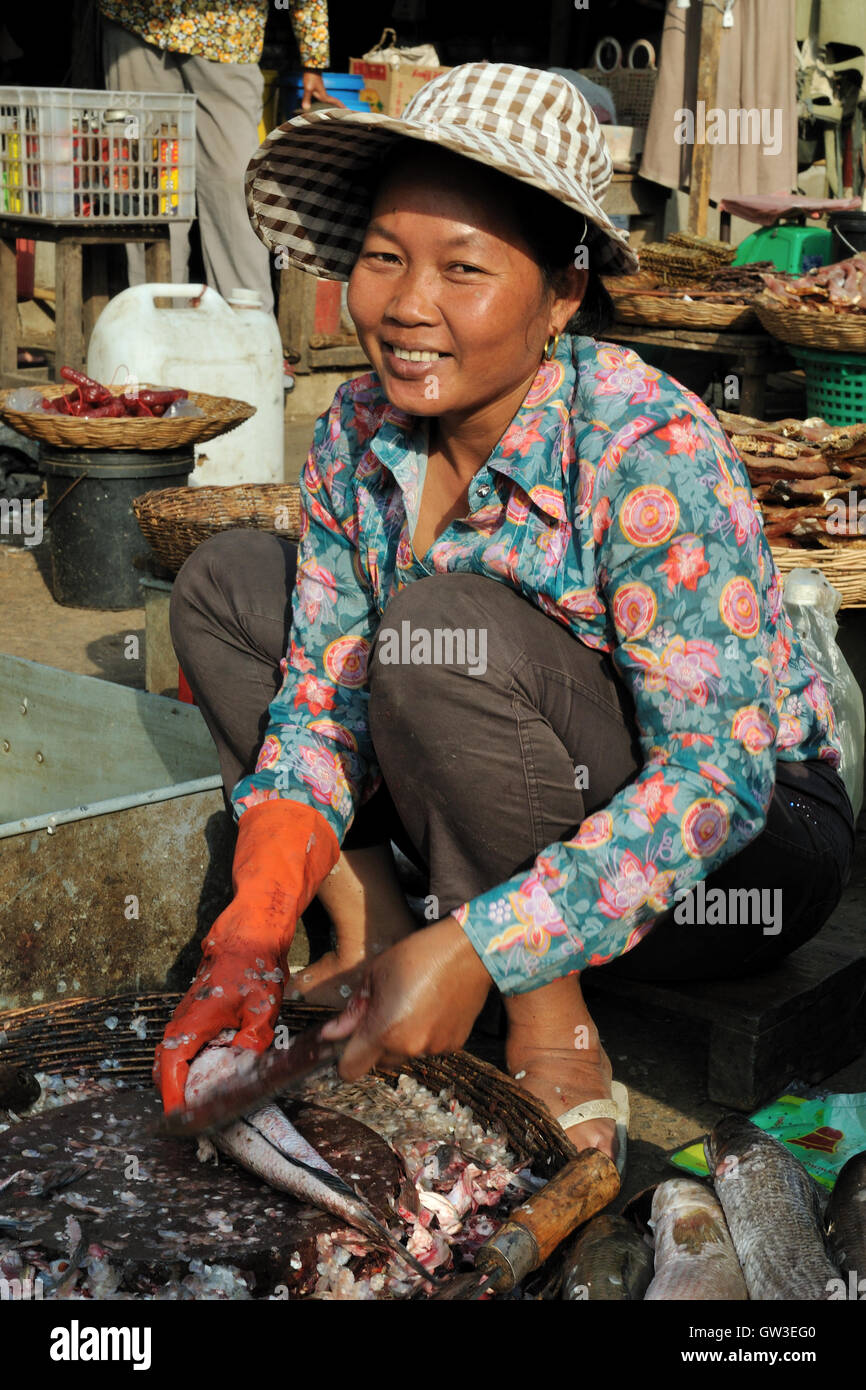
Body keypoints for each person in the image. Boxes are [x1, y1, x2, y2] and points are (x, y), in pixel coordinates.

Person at [154, 64, 854, 1173]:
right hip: (486, 806)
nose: (405, 307)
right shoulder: (357, 426)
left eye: (463, 270)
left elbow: (714, 784)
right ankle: (382, 931)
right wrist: (253, 916)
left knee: (444, 630)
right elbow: (319, 692)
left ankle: (549, 1014)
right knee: (231, 581)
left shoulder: (642, 442)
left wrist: (488, 944)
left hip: (731, 864)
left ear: (562, 294)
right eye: (384, 257)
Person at [99, 0, 342, 310]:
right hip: (136, 22)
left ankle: (246, 327)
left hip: (227, 31)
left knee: (232, 181)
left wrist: (313, 59)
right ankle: (155, 321)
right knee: (149, 183)